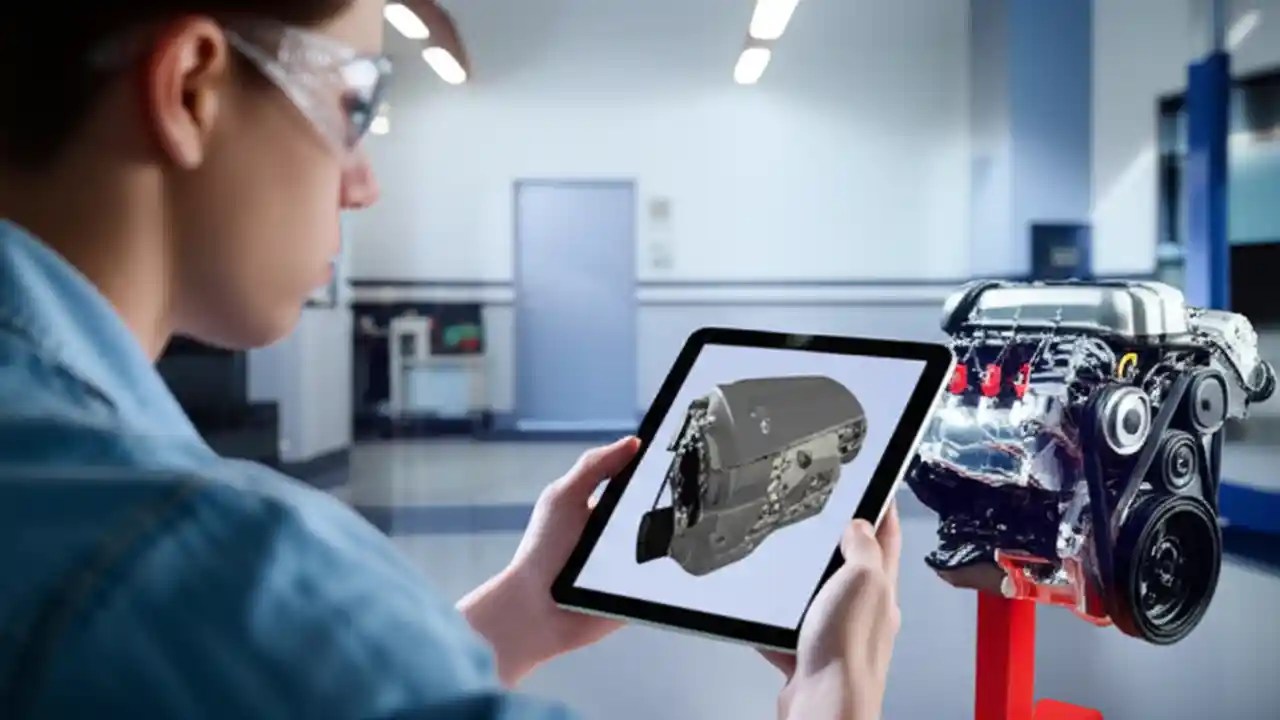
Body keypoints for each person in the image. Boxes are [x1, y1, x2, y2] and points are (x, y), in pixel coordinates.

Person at [0, 1, 902, 717]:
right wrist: (832, 691)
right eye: (356, 108)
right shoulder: (188, 561)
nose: (363, 181)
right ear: (192, 88)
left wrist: (521, 612)